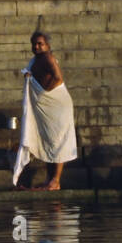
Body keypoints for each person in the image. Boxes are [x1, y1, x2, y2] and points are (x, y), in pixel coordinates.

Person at [13, 31, 77, 190]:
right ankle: (50, 180)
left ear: (47, 45)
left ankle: (55, 181)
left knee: (58, 140)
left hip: (57, 104)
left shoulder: (48, 58)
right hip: (47, 107)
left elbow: (58, 78)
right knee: (49, 140)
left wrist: (42, 93)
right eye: (34, 44)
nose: (36, 46)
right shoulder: (35, 60)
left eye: (40, 43)